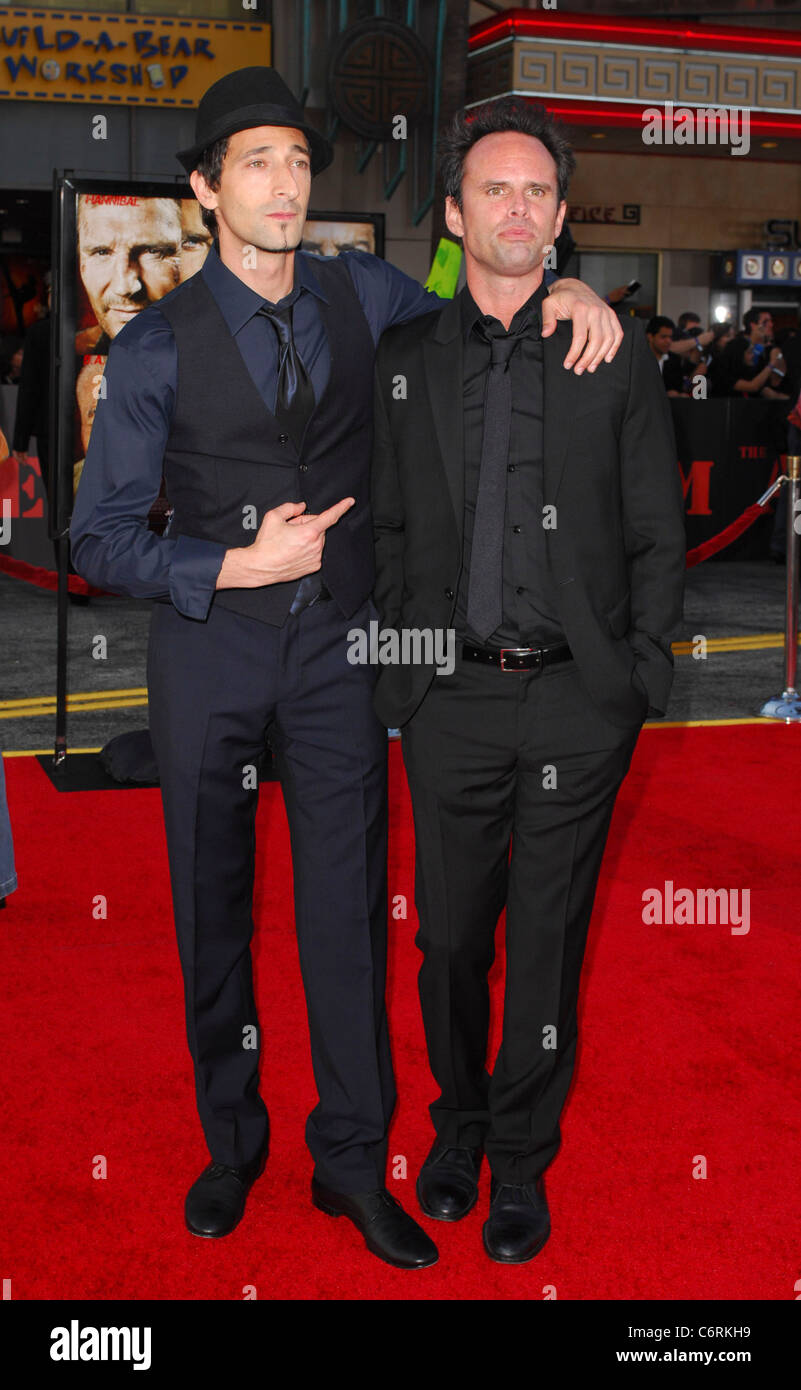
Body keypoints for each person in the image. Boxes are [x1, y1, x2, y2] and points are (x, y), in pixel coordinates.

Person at [70, 65, 624, 1270]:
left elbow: (486, 285)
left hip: (341, 658)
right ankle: (231, 1143)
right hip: (208, 656)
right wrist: (225, 563)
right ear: (208, 191)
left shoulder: (360, 290)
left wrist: (567, 278)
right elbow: (96, 536)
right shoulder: (156, 344)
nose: (284, 183)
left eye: (298, 162)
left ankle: (349, 1161)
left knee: (349, 919)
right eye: (256, 164)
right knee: (212, 908)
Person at [371, 98, 685, 1263]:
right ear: (454, 214)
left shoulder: (608, 352)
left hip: (576, 700)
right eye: (493, 189)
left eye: (536, 192)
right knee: (449, 941)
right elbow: (390, 535)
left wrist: (637, 679)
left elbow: (657, 529)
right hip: (444, 696)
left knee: (546, 942)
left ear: (558, 218)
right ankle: (452, 1129)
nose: (516, 207)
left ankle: (517, 1159)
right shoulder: (403, 359)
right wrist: (393, 684)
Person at [717, 307, 788, 399]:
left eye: (771, 321)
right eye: (765, 322)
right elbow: (744, 377)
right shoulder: (737, 345)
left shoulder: (769, 348)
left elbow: (774, 382)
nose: (771, 325)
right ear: (753, 325)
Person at [646, 316, 686, 395]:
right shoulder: (638, 360)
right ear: (650, 337)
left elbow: (678, 387)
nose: (668, 341)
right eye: (663, 337)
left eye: (670, 337)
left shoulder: (675, 360)